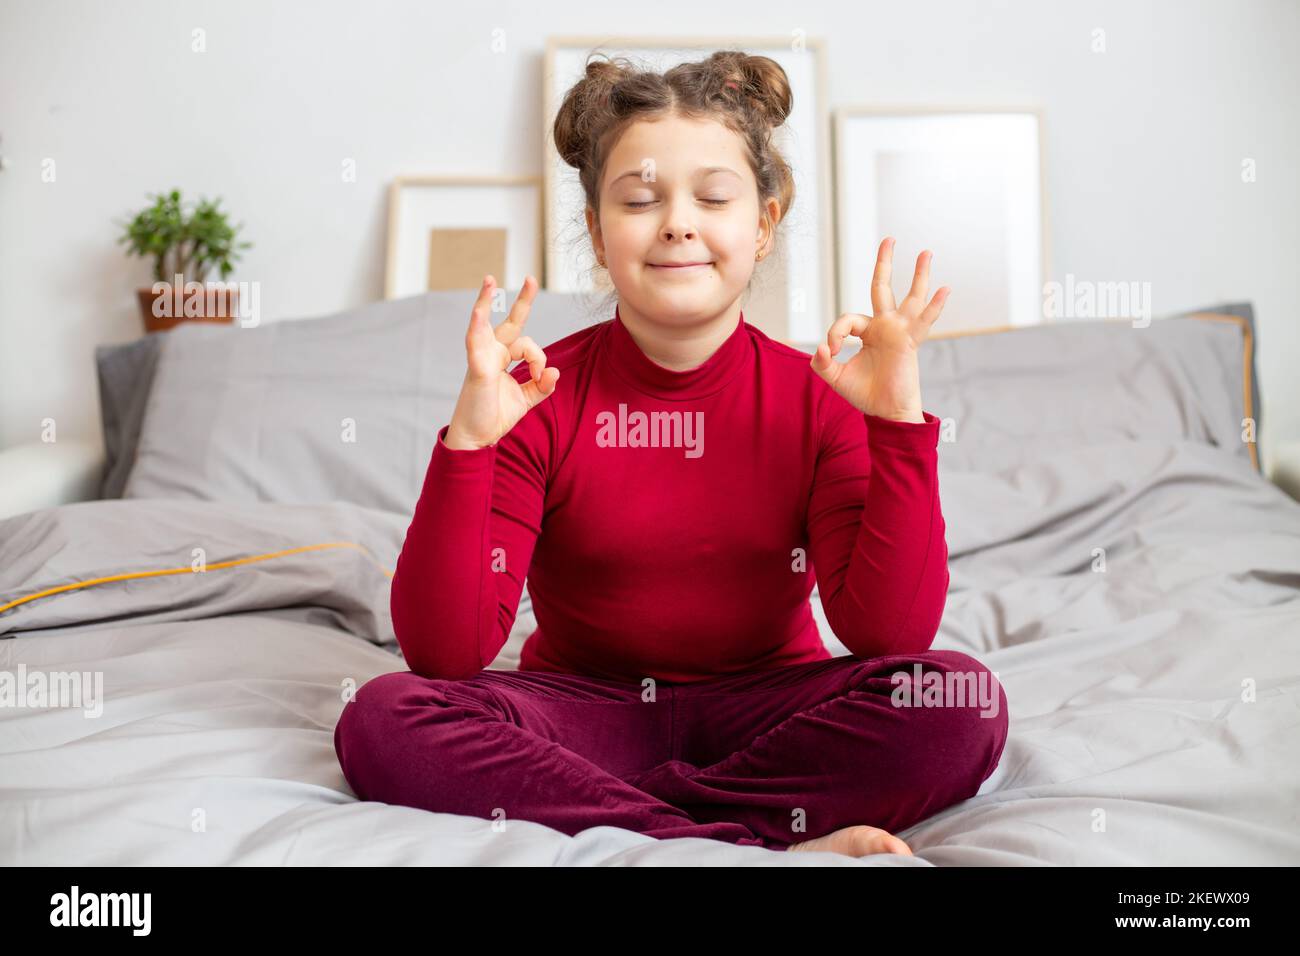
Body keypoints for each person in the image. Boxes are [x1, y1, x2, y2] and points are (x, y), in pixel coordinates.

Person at [334, 50, 1008, 856]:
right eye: (641, 199)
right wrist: (471, 440)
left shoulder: (818, 395)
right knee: (384, 717)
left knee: (961, 699)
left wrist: (896, 421)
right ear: (595, 228)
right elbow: (445, 654)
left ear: (762, 222)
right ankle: (740, 843)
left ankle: (641, 831)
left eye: (714, 197)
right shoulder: (536, 396)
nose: (678, 223)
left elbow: (887, 638)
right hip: (581, 717)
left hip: (772, 716)